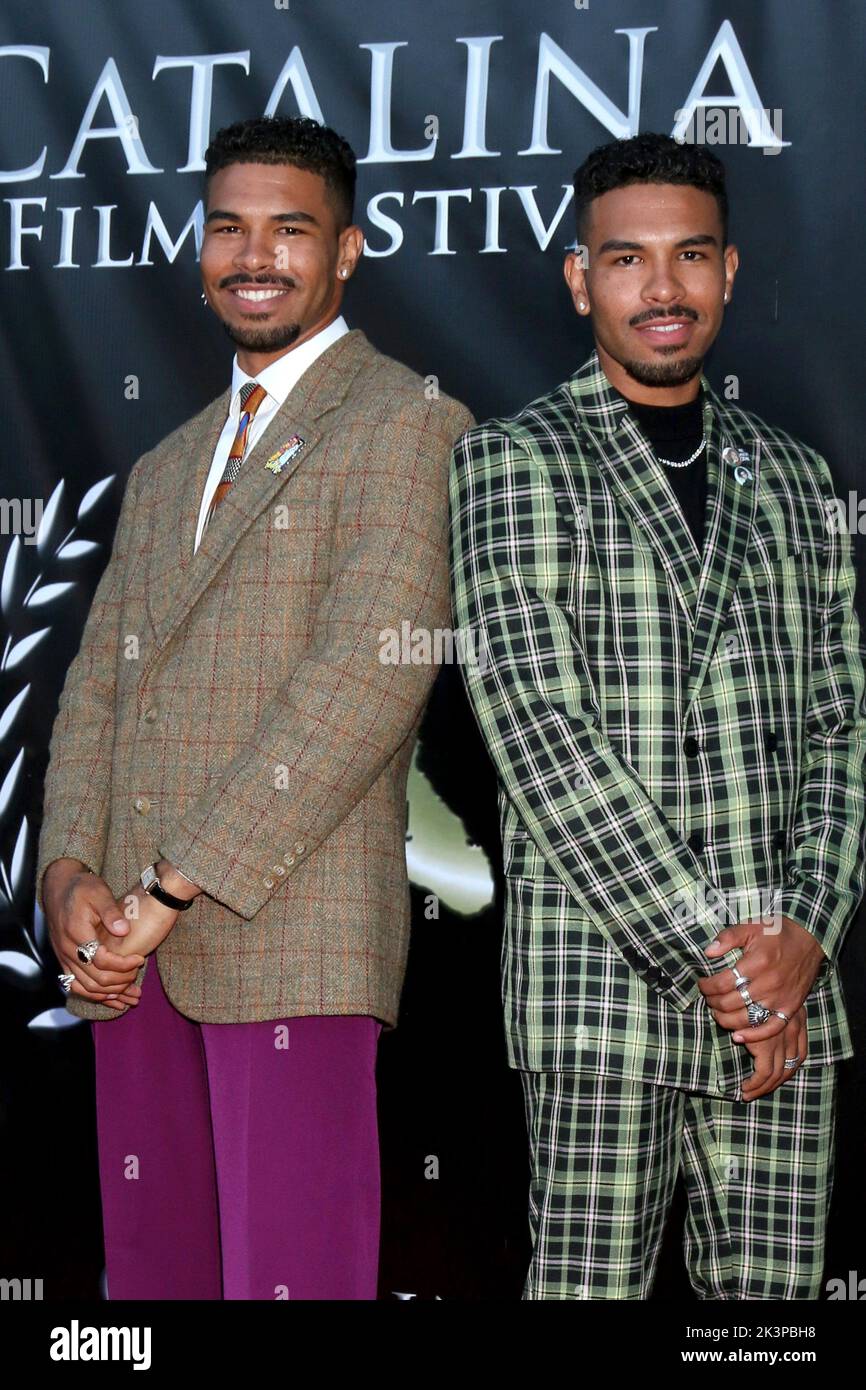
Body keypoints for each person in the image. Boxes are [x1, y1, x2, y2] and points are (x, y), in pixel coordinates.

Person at [36, 114, 473, 1301]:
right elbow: (94, 690)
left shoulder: (408, 422)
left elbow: (361, 686)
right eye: (228, 226)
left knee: (293, 1280)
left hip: (287, 936)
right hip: (123, 953)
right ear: (197, 251)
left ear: (346, 252)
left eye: (291, 228)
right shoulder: (166, 462)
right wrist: (71, 873)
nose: (254, 254)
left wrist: (171, 888)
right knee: (151, 1285)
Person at [448, 132, 866, 1299]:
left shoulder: (795, 478)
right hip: (602, 998)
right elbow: (537, 730)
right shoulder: (511, 460)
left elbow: (845, 726)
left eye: (687, 257)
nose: (661, 288)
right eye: (625, 260)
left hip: (792, 998)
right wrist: (721, 961)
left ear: (727, 271)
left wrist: (803, 938)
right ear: (580, 279)